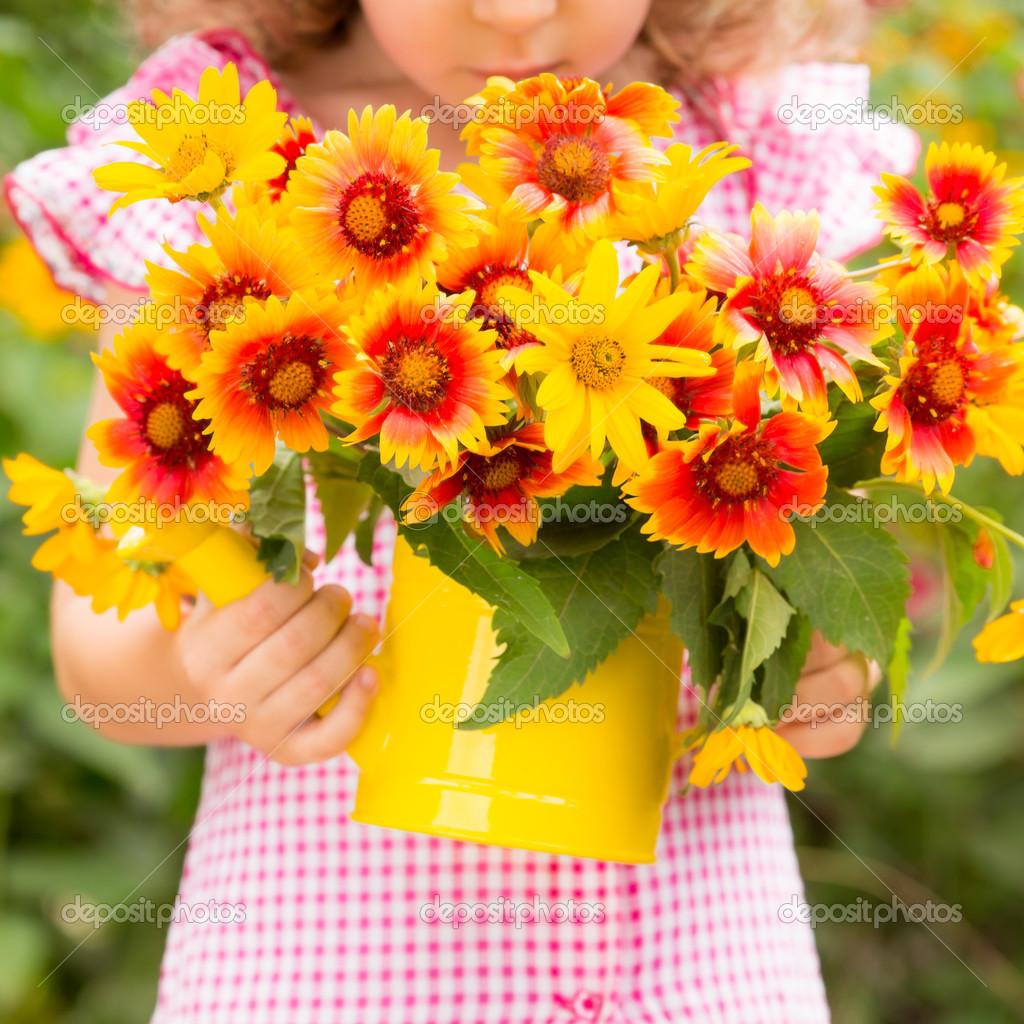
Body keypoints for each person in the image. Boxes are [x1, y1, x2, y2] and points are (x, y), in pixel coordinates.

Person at [4, 0, 917, 1020]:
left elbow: (822, 517)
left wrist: (815, 666)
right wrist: (219, 671)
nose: (521, 9)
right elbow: (106, 633)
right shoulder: (212, 153)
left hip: (696, 963)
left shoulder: (742, 150)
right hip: (338, 966)